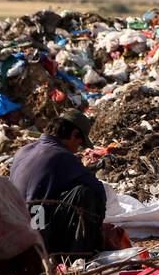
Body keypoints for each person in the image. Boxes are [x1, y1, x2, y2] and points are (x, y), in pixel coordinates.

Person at [9, 109, 110, 258]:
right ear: (74, 134)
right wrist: (98, 230)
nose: (77, 149)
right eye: (79, 143)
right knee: (85, 193)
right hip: (38, 237)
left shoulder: (23, 151)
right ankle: (78, 257)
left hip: (13, 230)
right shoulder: (63, 156)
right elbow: (99, 191)